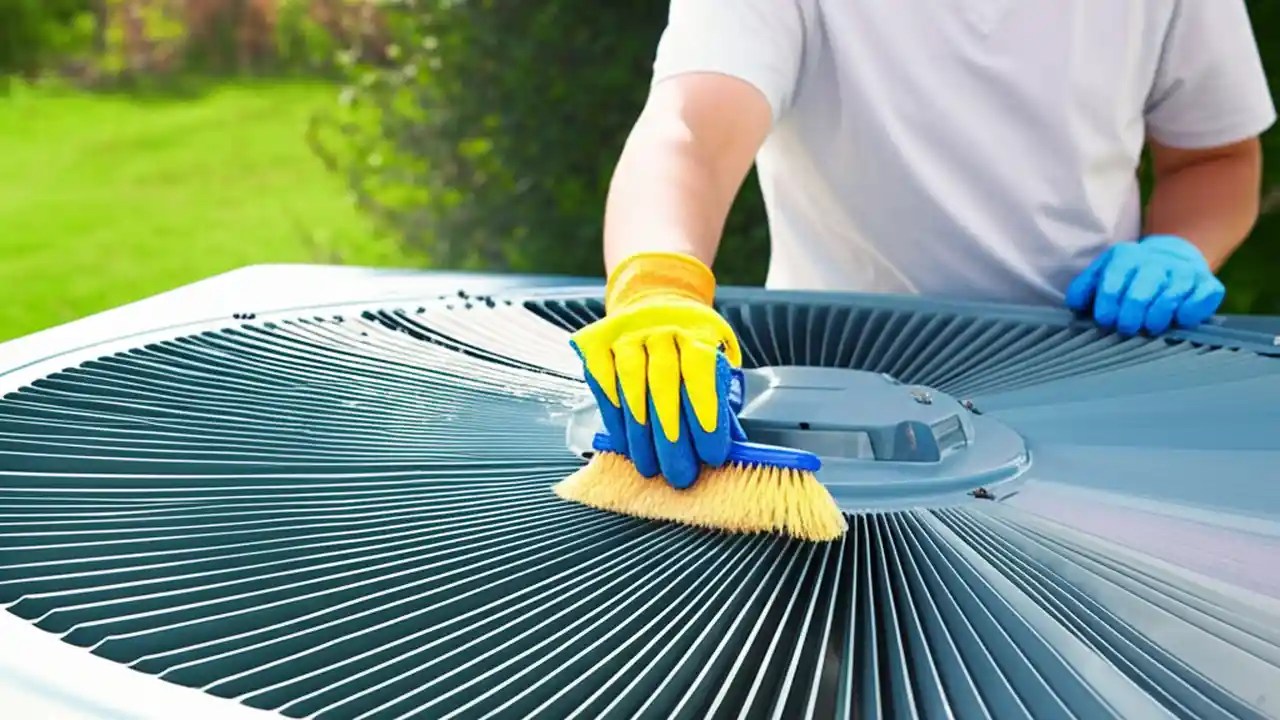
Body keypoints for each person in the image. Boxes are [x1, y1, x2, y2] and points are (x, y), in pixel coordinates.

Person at [570, 0, 1276, 488]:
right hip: (838, 416)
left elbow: (1214, 161)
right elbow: (691, 130)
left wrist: (1180, 249)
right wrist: (658, 285)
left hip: (1084, 386)